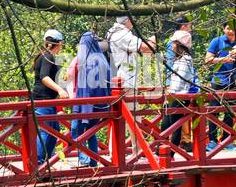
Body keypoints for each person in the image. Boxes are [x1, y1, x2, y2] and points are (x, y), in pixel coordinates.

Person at [72, 30, 111, 167]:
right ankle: (93, 161)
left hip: (87, 104)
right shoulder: (103, 59)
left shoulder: (89, 61)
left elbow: (88, 88)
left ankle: (85, 160)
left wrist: (85, 109)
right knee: (91, 133)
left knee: (80, 131)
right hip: (100, 104)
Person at [32, 29, 70, 164]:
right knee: (46, 131)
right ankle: (38, 162)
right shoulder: (47, 56)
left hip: (49, 100)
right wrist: (59, 89)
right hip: (43, 99)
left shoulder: (45, 56)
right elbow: (44, 77)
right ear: (58, 44)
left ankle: (45, 161)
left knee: (53, 132)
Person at [204, 22, 236, 147]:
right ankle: (212, 141)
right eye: (228, 28)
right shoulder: (217, 41)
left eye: (234, 28)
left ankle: (226, 140)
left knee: (230, 113)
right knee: (214, 112)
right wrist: (223, 60)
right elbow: (207, 59)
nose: (231, 31)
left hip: (234, 82)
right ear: (224, 28)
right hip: (218, 81)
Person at [163, 31, 198, 148]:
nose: (172, 46)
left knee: (174, 126)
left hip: (179, 96)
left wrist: (171, 92)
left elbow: (180, 80)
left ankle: (170, 153)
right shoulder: (180, 59)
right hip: (175, 96)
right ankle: (163, 150)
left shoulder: (185, 59)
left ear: (179, 44)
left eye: (174, 43)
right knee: (168, 124)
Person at [104, 15, 155, 90]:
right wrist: (153, 40)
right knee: (128, 100)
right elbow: (146, 47)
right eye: (132, 19)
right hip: (125, 77)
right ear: (128, 20)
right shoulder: (121, 34)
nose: (133, 22)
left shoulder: (113, 31)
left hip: (123, 73)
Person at [164, 15, 192, 86]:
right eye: (189, 27)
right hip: (176, 84)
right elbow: (170, 65)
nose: (190, 30)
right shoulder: (174, 43)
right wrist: (169, 84)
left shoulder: (179, 42)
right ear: (183, 27)